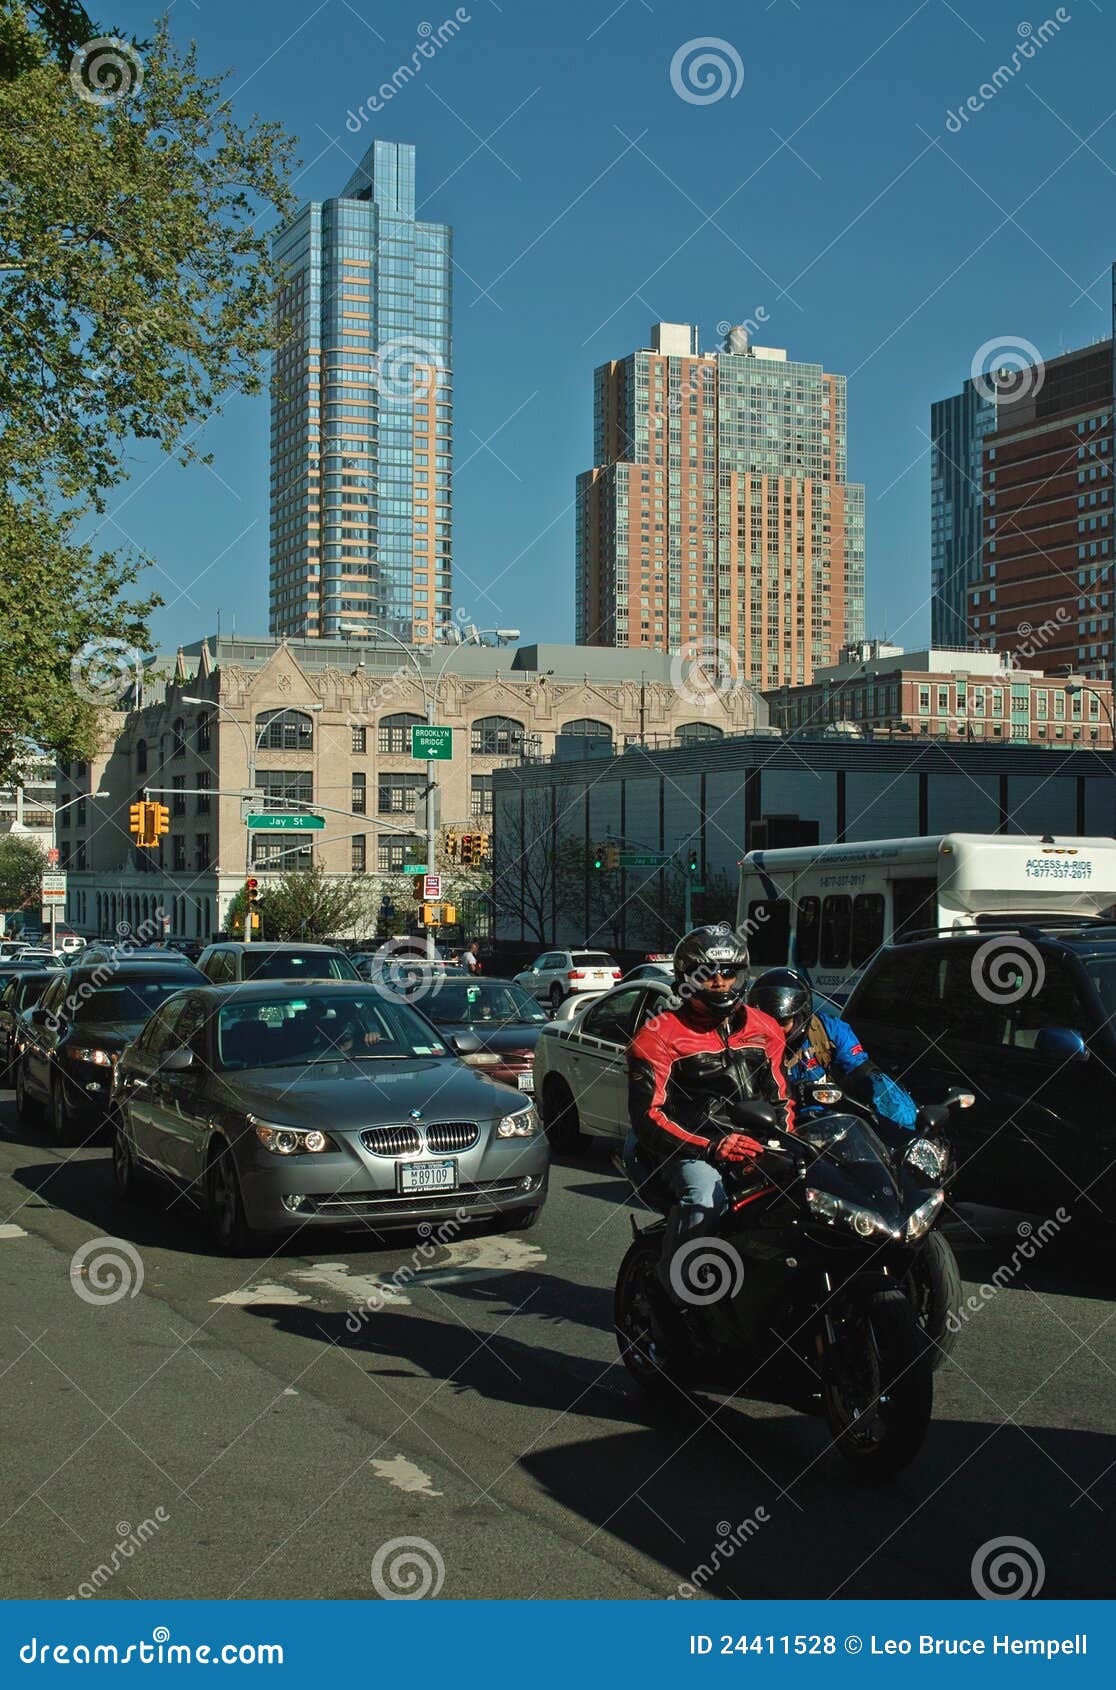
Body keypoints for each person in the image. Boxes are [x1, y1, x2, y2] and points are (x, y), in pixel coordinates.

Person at [625, 925, 792, 1299]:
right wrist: (711, 1147)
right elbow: (647, 1117)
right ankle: (676, 1292)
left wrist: (781, 1144)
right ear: (687, 977)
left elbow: (782, 1098)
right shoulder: (657, 1035)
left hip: (757, 1141)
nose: (719, 982)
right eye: (707, 973)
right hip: (683, 1147)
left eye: (728, 972)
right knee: (704, 1197)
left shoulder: (766, 1028)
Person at [746, 967, 917, 1129]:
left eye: (783, 1022)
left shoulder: (830, 1031)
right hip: (776, 1129)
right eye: (766, 1022)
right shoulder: (745, 1043)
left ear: (801, 1014)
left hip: (829, 1124)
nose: (775, 1030)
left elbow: (865, 1074)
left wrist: (904, 1125)